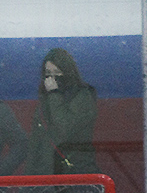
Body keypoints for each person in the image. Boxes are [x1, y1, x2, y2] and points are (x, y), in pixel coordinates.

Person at [25, 48, 100, 176]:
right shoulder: (45, 101)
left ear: (67, 72)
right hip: (47, 173)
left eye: (57, 72)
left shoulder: (82, 96)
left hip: (75, 172)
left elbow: (65, 129)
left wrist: (54, 94)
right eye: (48, 73)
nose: (52, 79)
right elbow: (35, 145)